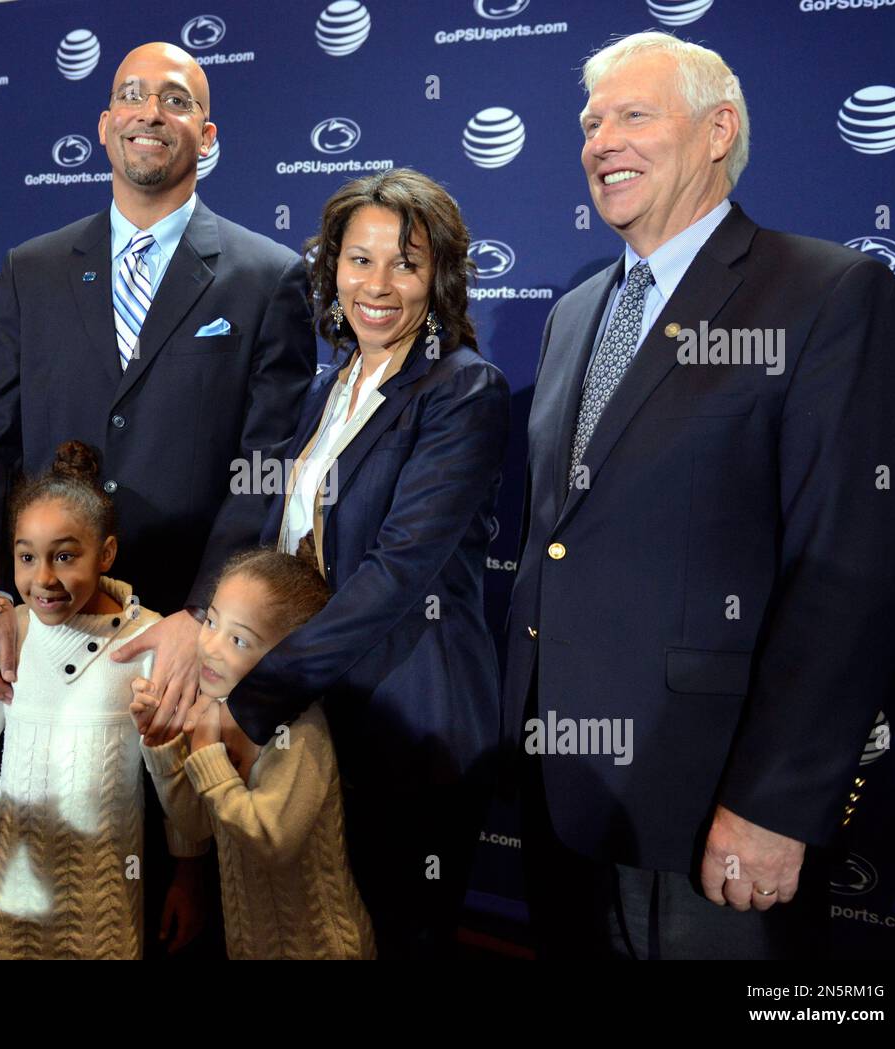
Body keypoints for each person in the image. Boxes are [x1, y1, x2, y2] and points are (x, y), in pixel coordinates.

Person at [502, 31, 895, 960]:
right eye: (590, 122)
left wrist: (776, 803)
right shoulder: (575, 314)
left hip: (709, 811)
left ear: (718, 129)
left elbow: (844, 574)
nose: (601, 140)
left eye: (633, 115)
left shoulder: (826, 292)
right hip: (558, 800)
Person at [0, 41, 315, 954]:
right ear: (104, 127)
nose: (150, 111)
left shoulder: (267, 274)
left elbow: (262, 466)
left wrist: (202, 616)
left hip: (185, 646)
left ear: (208, 132)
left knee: (178, 887)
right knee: (52, 885)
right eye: (130, 97)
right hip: (52, 637)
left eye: (174, 98)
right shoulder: (33, 267)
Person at [169, 168, 509, 958]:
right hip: (318, 719)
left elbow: (394, 574)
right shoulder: (331, 388)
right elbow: (283, 550)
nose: (378, 285)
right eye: (359, 260)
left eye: (406, 262)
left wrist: (255, 697)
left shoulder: (463, 391)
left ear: (442, 277)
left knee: (394, 938)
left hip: (409, 730)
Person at [0, 441, 204, 959]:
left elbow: (180, 793)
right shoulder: (14, 632)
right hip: (11, 897)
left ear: (107, 553)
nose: (43, 579)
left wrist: (188, 876)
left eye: (66, 556)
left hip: (103, 911)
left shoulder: (150, 638)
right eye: (26, 556)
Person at [133, 546, 376, 960]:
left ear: (288, 656)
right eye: (211, 621)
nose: (210, 646)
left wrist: (209, 757)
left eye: (239, 639)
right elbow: (195, 825)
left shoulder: (299, 731)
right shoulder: (214, 708)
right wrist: (163, 744)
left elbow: (270, 842)